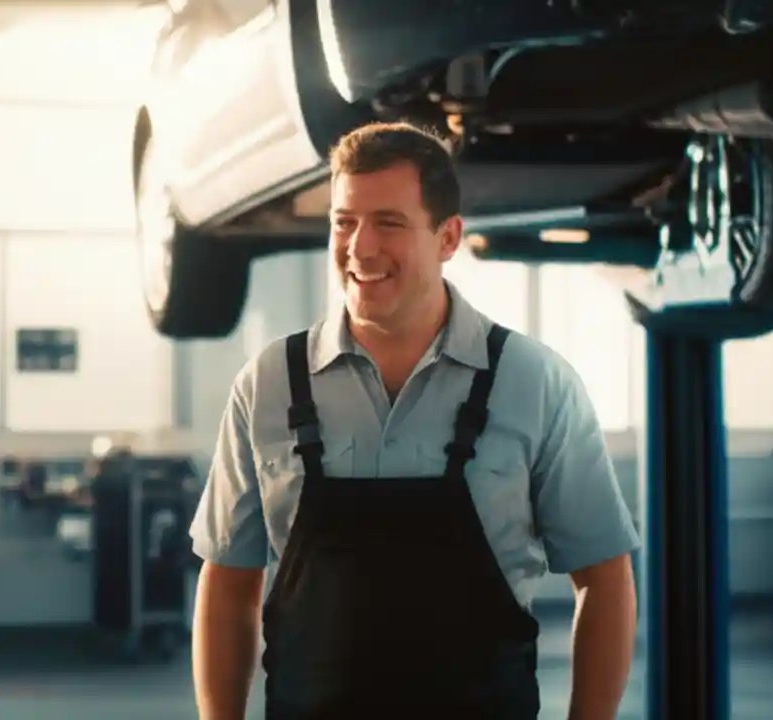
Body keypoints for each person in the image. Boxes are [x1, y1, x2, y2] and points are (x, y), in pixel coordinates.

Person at [189, 121, 640, 719]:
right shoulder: (269, 384)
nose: (360, 247)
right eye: (344, 222)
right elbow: (227, 586)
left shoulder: (534, 383)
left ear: (448, 237)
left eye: (389, 223)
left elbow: (605, 580)